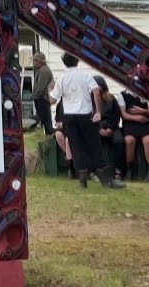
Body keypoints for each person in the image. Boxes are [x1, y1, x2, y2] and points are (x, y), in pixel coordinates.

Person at [49, 53, 125, 189]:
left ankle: (82, 182)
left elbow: (53, 100)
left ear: (64, 63)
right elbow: (96, 91)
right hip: (85, 114)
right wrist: (98, 112)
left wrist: (45, 95)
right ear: (77, 61)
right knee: (94, 145)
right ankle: (106, 181)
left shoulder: (62, 78)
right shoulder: (85, 75)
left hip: (69, 116)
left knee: (76, 146)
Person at [120, 88, 149, 181]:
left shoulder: (148, 93)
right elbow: (124, 115)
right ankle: (130, 169)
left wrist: (142, 111)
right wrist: (137, 118)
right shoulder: (122, 95)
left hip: (145, 122)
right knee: (129, 140)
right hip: (130, 123)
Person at [95, 77, 126, 183]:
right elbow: (90, 118)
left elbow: (116, 116)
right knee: (94, 142)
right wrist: (99, 129)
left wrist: (110, 128)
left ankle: (119, 170)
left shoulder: (112, 99)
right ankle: (96, 170)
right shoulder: (90, 102)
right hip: (97, 128)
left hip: (111, 126)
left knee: (119, 141)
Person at [30, 52, 54, 134]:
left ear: (41, 61)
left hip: (42, 98)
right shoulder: (40, 70)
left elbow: (41, 86)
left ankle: (48, 134)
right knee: (45, 119)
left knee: (45, 120)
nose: (34, 63)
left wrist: (35, 96)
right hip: (41, 98)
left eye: (36, 61)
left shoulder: (44, 71)